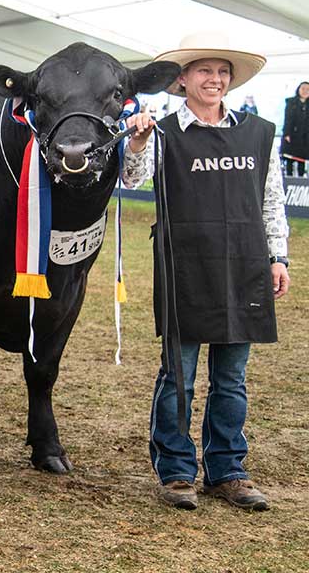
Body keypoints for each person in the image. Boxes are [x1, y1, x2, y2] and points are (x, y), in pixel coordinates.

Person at [123, 31, 291, 513]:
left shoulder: (258, 132)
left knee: (232, 377)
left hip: (244, 264)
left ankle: (228, 471)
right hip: (185, 265)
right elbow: (133, 179)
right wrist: (136, 141)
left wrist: (278, 257)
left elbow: (271, 200)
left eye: (222, 72)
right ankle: (177, 471)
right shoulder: (163, 131)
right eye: (204, 71)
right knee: (179, 374)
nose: (215, 79)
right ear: (183, 79)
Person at [282, 81, 309, 177]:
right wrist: (287, 134)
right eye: (303, 88)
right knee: (290, 159)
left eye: (307, 89)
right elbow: (287, 119)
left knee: (302, 161)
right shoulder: (291, 102)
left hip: (305, 138)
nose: (305, 91)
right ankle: (289, 179)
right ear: (298, 89)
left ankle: (301, 179)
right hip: (292, 136)